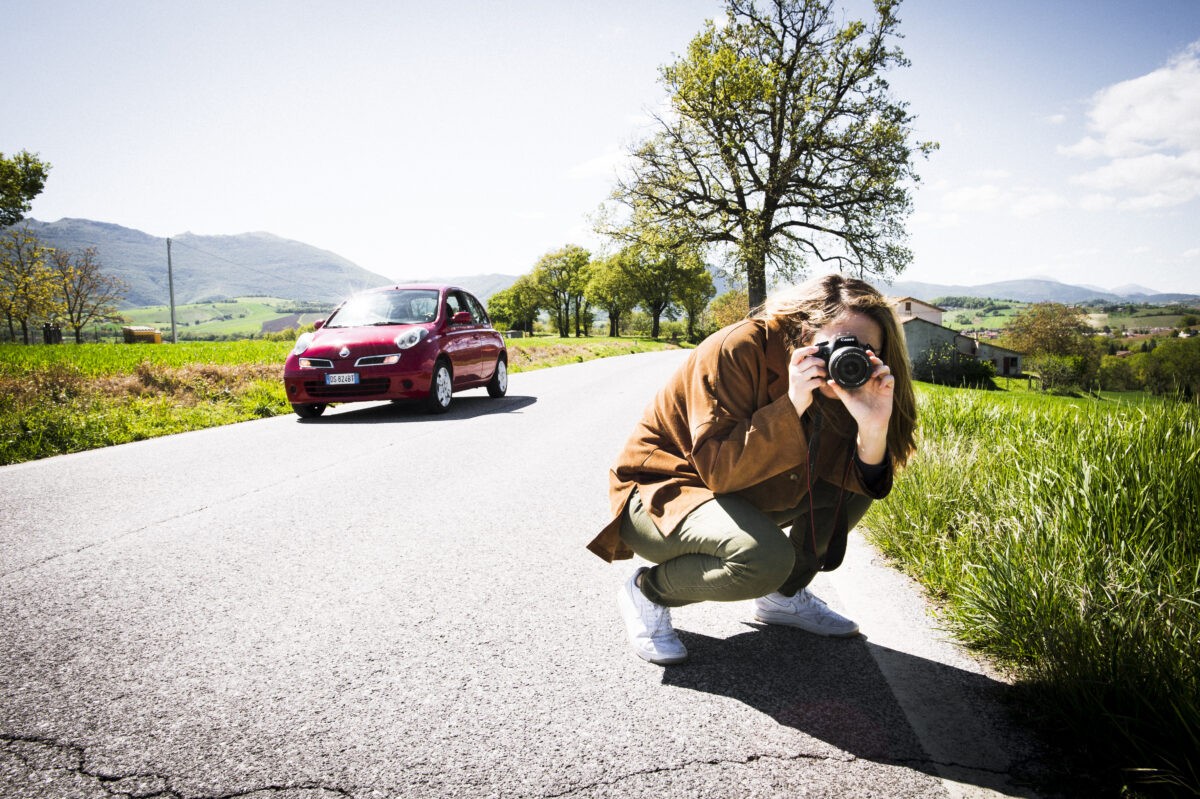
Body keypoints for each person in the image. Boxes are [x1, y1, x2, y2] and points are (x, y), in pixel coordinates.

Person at [587, 274, 917, 665]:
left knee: (853, 487)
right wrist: (793, 401)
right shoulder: (737, 348)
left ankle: (783, 597)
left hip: (750, 488)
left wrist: (872, 425)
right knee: (764, 559)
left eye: (865, 350)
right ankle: (647, 591)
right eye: (834, 345)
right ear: (804, 331)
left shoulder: (859, 383)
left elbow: (868, 481)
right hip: (665, 490)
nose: (849, 358)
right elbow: (719, 472)